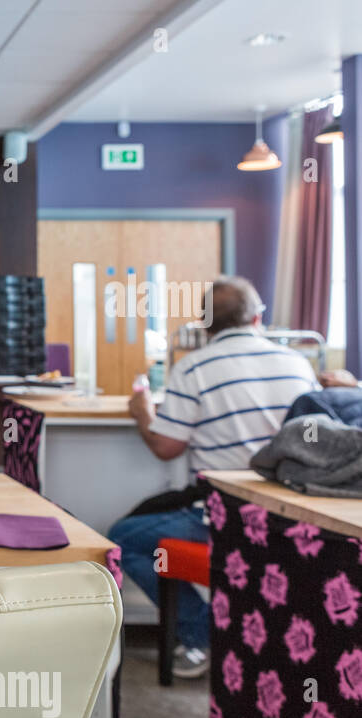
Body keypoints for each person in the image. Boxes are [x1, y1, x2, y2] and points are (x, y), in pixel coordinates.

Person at [109, 276, 322, 678]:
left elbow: (166, 448)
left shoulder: (194, 367)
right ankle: (240, 633)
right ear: (258, 317)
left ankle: (204, 635)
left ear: (204, 326)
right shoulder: (297, 363)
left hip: (225, 515)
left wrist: (142, 414)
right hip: (291, 517)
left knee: (121, 541)